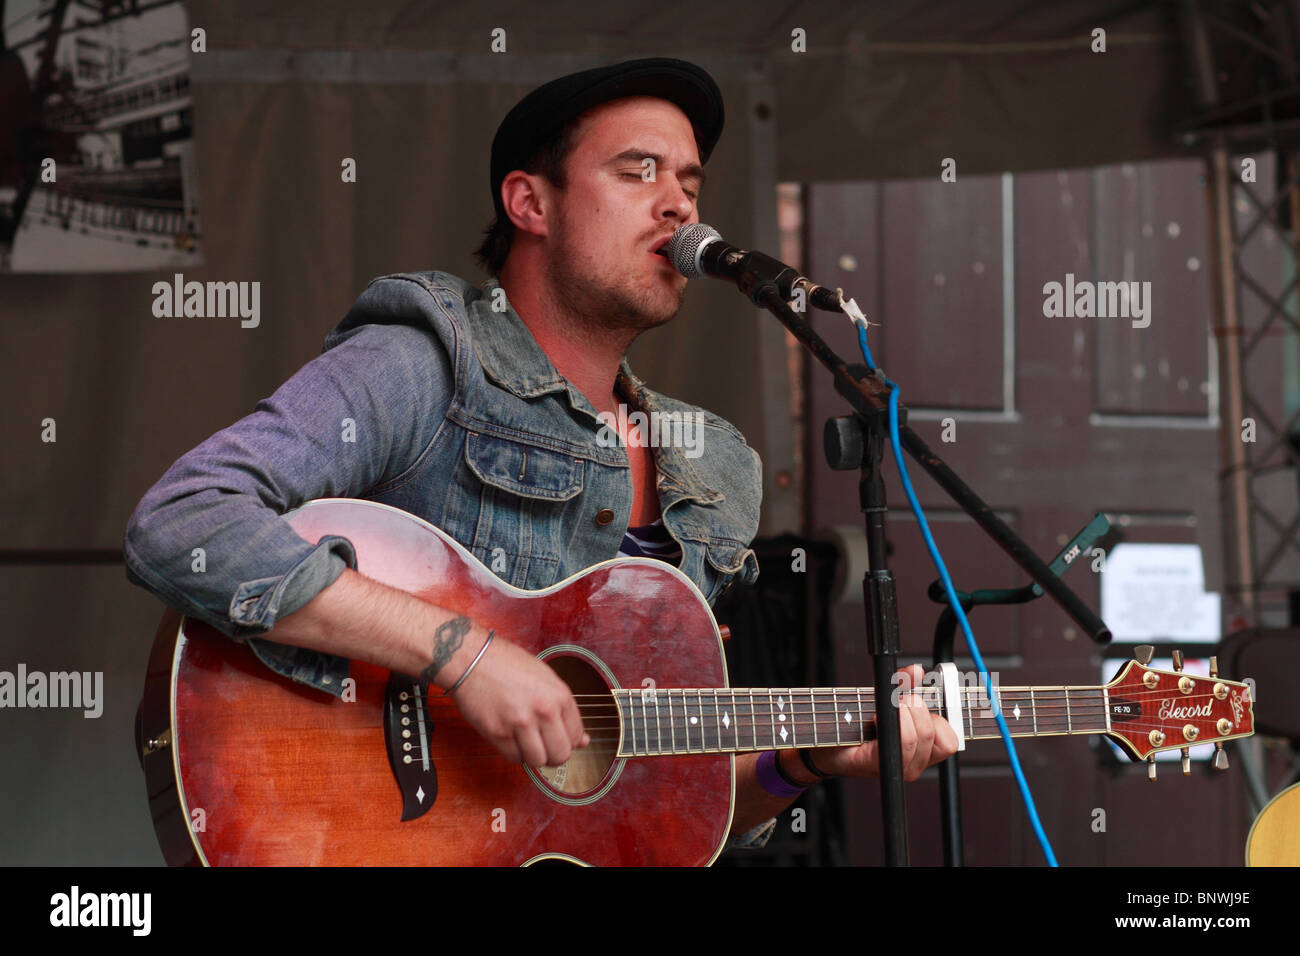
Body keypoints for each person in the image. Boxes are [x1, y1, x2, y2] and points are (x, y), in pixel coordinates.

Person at [123, 57, 959, 856]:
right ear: (530, 202)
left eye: (690, 184)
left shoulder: (712, 468)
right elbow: (183, 518)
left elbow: (656, 803)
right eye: (638, 171)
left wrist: (804, 760)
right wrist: (465, 653)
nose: (680, 209)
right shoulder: (426, 364)